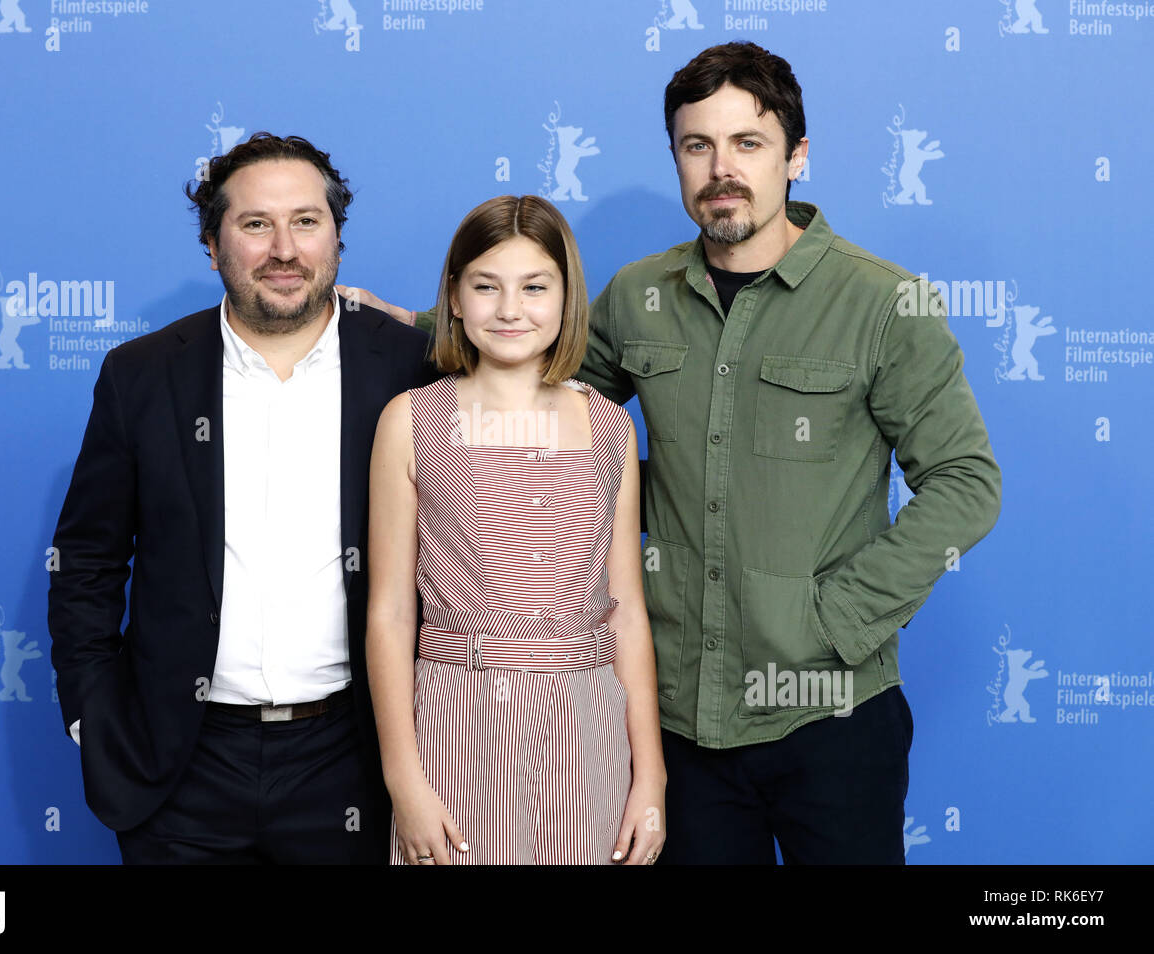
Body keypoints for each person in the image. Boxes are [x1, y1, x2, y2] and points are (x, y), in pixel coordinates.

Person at [343, 42, 1001, 864]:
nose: (721, 169)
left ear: (797, 155)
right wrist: (410, 324)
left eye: (748, 144)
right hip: (681, 726)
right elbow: (528, 393)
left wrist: (838, 617)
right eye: (698, 146)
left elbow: (967, 483)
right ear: (677, 160)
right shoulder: (640, 296)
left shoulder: (883, 303)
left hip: (830, 712)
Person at [47, 132, 436, 863]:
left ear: (338, 240)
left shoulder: (410, 368)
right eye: (256, 224)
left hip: (352, 758)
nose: (284, 248)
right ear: (213, 243)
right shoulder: (142, 375)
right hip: (181, 768)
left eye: (307, 222)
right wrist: (91, 716)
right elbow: (87, 561)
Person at [365, 195, 666, 865]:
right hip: (455, 714)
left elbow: (628, 616)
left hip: (588, 720)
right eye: (485, 286)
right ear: (453, 296)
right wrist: (403, 779)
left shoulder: (610, 425)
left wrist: (652, 776)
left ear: (567, 298)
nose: (509, 309)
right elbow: (389, 613)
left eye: (535, 287)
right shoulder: (410, 422)